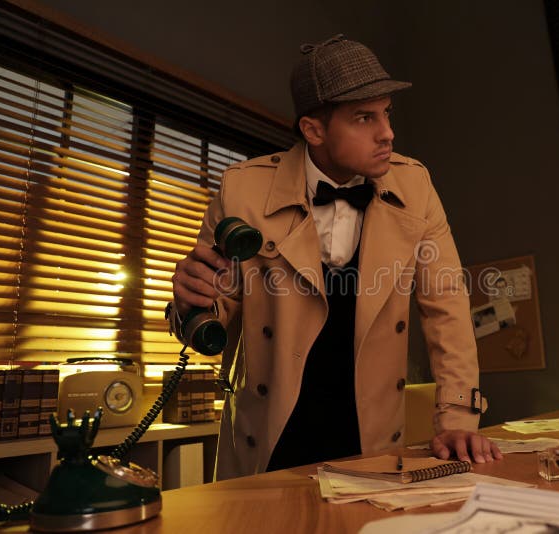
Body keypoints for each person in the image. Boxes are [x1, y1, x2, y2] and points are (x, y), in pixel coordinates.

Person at [169, 34, 502, 480]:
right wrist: (190, 299)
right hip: (270, 438)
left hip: (372, 436)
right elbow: (211, 314)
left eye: (386, 113)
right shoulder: (241, 190)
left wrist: (458, 419)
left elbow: (448, 307)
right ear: (314, 130)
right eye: (365, 117)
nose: (387, 133)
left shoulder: (416, 185)